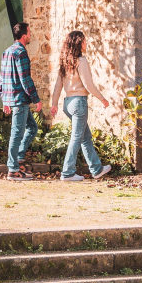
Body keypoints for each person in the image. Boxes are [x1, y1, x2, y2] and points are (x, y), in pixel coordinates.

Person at [48, 30, 113, 182]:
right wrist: (102, 99)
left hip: (68, 103)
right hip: (79, 103)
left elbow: (58, 85)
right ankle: (67, 172)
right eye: (84, 41)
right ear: (78, 43)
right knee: (77, 137)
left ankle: (96, 169)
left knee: (85, 137)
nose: (86, 44)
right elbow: (88, 85)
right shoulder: (81, 61)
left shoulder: (65, 62)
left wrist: (54, 104)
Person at [0, 21, 42, 180]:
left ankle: (18, 158)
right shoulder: (20, 53)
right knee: (17, 134)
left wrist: (4, 99)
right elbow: (25, 79)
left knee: (32, 128)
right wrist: (36, 99)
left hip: (12, 99)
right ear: (24, 36)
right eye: (29, 33)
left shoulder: (7, 51)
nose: (30, 35)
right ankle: (13, 169)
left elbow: (2, 78)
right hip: (20, 100)